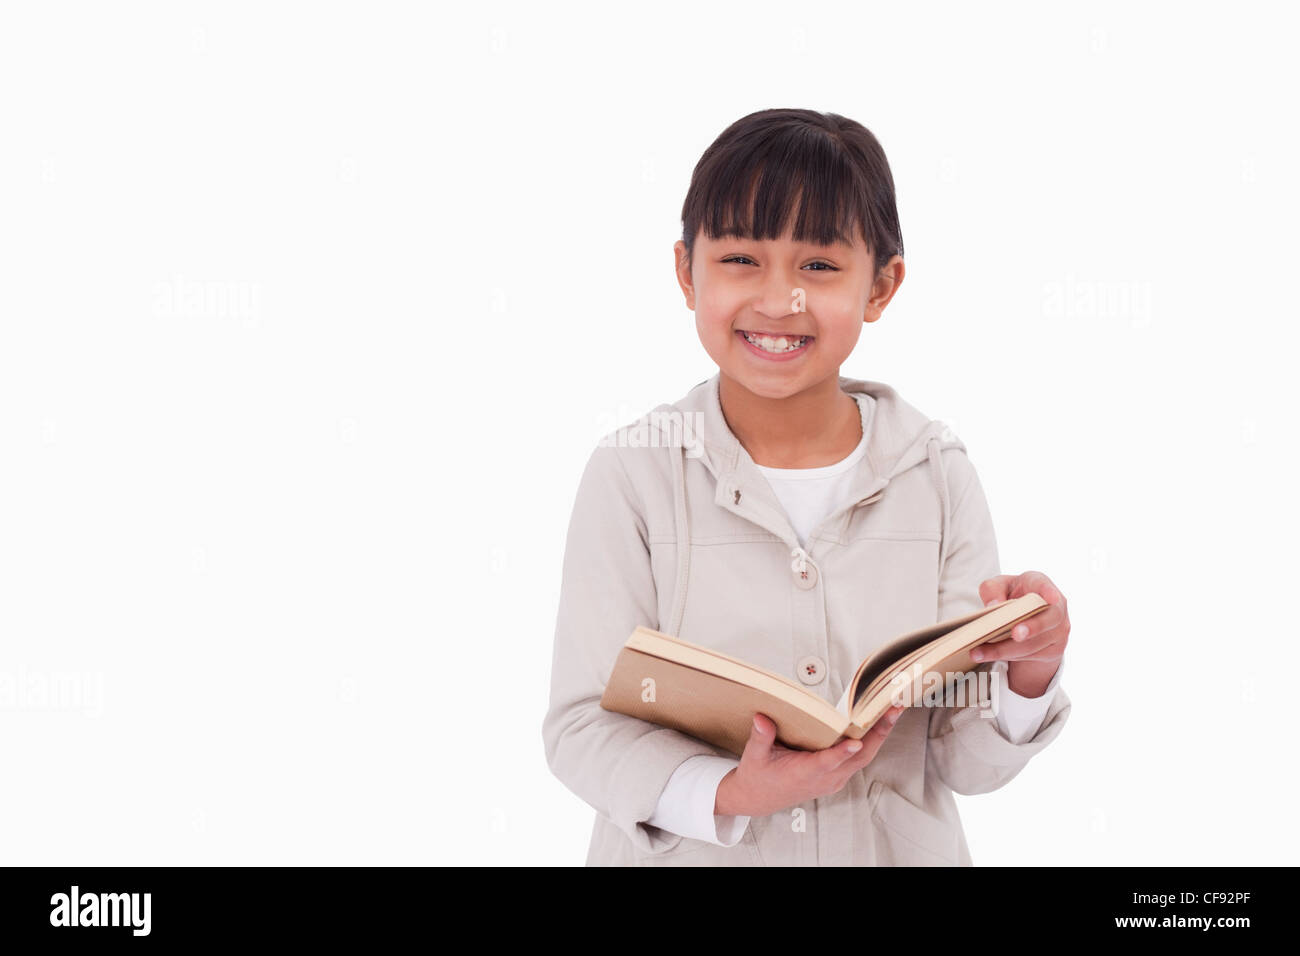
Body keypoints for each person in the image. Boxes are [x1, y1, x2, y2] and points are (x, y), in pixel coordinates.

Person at [542, 108, 1072, 866]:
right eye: (741, 260)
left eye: (819, 267)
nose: (779, 299)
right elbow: (580, 729)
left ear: (881, 286)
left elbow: (962, 762)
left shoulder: (937, 471)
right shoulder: (632, 473)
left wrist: (1030, 670)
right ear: (687, 273)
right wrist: (730, 792)